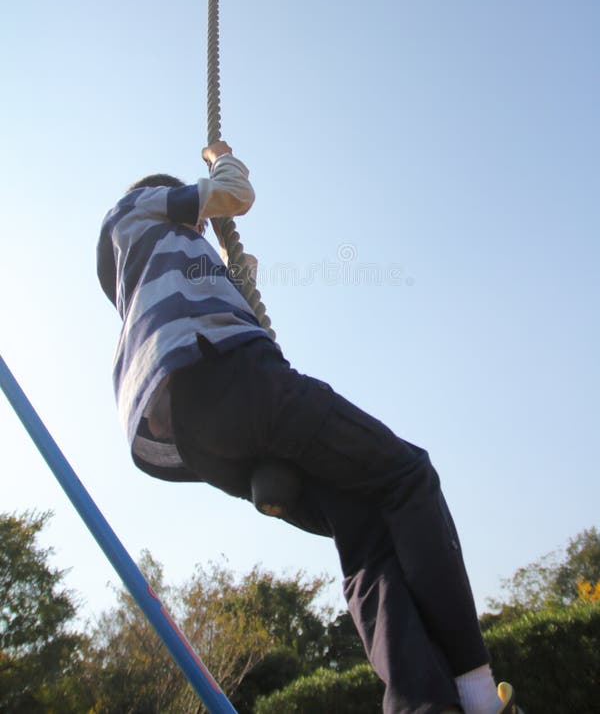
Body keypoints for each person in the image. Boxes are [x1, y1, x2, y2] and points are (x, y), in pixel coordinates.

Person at [97, 141, 523, 714]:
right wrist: (221, 163)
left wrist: (235, 264)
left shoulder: (167, 271)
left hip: (205, 441)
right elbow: (235, 195)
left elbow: (239, 287)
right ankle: (477, 692)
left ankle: (423, 705)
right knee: (405, 474)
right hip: (233, 382)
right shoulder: (132, 211)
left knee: (366, 529)